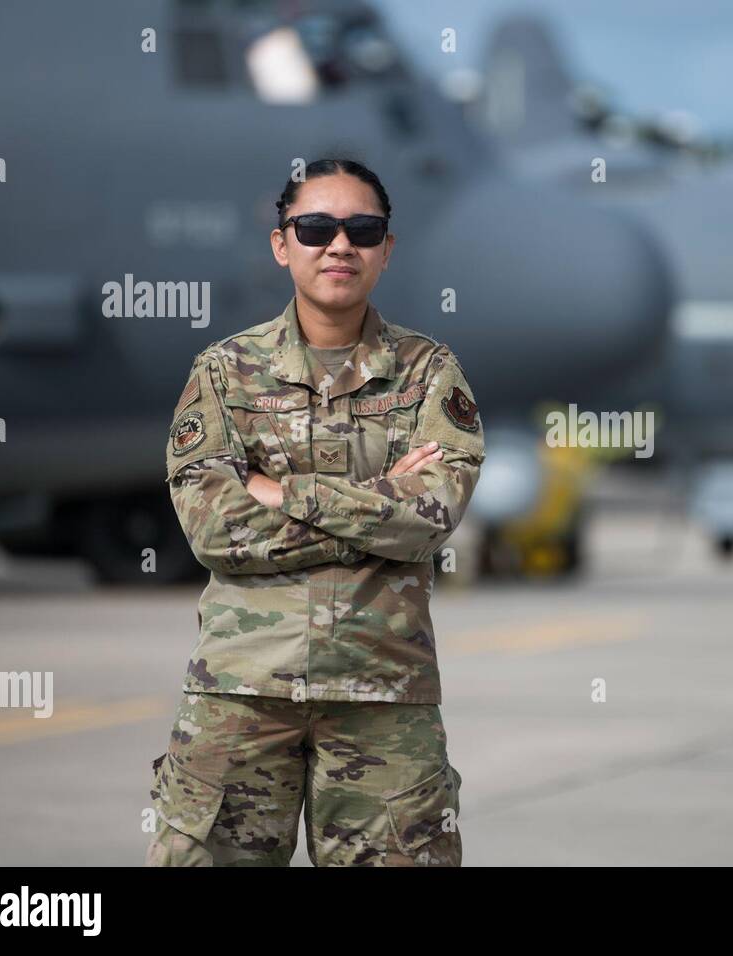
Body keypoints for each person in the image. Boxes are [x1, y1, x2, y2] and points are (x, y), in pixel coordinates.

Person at [145, 158, 483, 866]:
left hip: (382, 697)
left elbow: (431, 517)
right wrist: (378, 503)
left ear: (387, 249)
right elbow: (213, 529)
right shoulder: (223, 372)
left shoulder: (428, 372)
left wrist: (282, 491)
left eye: (363, 229)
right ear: (281, 244)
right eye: (316, 227)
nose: (339, 245)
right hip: (242, 693)